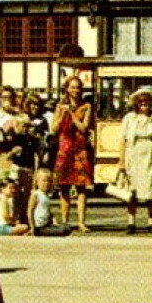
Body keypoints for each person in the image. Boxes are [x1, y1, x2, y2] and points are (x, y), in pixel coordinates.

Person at [117, 89, 152, 232]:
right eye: (140, 101)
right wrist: (121, 161)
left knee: (151, 189)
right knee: (132, 190)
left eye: (146, 100)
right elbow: (123, 140)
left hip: (151, 156)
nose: (143, 103)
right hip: (134, 155)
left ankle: (151, 221)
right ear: (136, 103)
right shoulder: (129, 118)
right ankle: (131, 222)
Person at [50, 76, 95, 232]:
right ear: (67, 89)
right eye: (72, 87)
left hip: (80, 148)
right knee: (64, 186)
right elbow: (54, 129)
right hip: (65, 147)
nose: (75, 90)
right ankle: (64, 220)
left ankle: (82, 221)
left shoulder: (86, 106)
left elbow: (84, 128)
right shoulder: (59, 106)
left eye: (78, 87)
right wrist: (63, 114)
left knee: (82, 186)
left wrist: (73, 114)